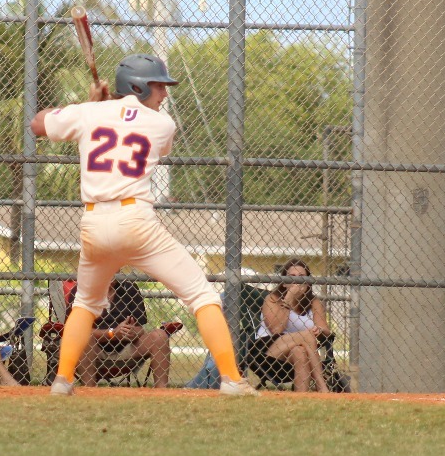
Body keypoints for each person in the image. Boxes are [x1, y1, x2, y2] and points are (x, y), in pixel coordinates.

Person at [30, 53, 253, 396]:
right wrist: (102, 110)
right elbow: (136, 130)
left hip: (94, 222)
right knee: (201, 294)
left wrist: (88, 106)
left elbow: (37, 125)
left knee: (86, 304)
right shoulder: (162, 125)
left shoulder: (90, 113)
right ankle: (232, 381)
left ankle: (62, 380)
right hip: (135, 221)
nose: (164, 95)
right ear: (137, 86)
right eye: (158, 86)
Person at [63, 276, 169, 388]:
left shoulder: (129, 288)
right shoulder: (82, 290)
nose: (112, 271)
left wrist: (133, 333)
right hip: (93, 350)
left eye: (115, 268)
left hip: (127, 348)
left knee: (160, 336)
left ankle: (162, 390)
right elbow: (74, 330)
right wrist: (112, 333)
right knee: (83, 336)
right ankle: (89, 389)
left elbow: (140, 328)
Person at [254, 259, 332, 392]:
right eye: (292, 277)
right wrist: (289, 297)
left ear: (307, 282)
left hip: (293, 355)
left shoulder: (313, 302)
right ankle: (322, 387)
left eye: (302, 277)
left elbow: (327, 332)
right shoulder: (272, 299)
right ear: (284, 283)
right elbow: (277, 329)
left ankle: (299, 399)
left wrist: (319, 329)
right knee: (307, 335)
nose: (297, 281)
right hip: (267, 352)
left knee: (299, 351)